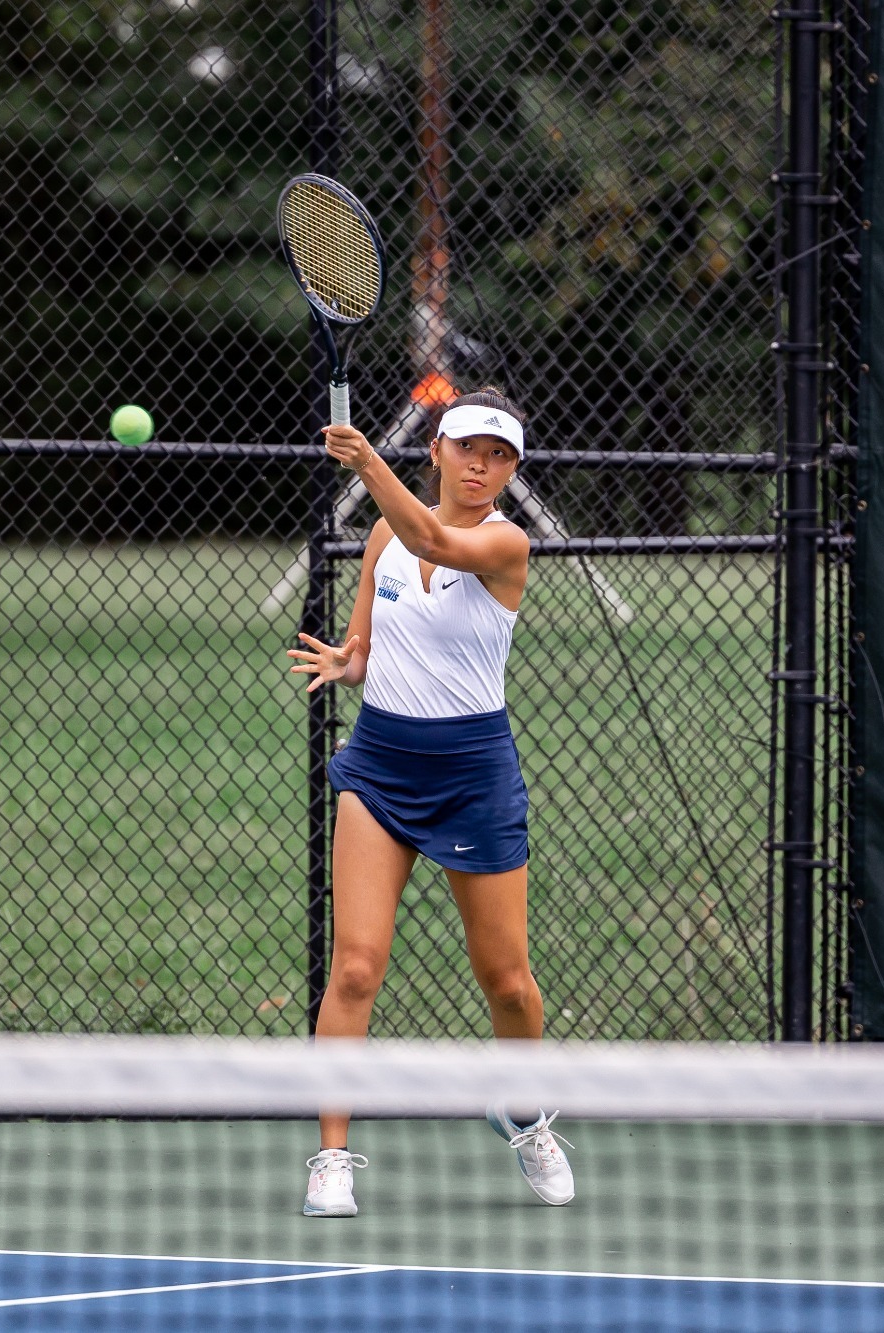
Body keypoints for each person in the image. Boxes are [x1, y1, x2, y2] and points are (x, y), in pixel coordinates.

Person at [284, 387, 574, 1219]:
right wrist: (348, 663)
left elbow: (433, 538)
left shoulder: (504, 542)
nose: (481, 466)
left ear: (512, 470)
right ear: (439, 449)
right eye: (469, 448)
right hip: (380, 766)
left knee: (508, 982)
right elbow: (368, 646)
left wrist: (366, 460)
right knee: (355, 965)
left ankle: (525, 1110)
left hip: (473, 775)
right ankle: (331, 1155)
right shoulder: (382, 535)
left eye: (500, 456)